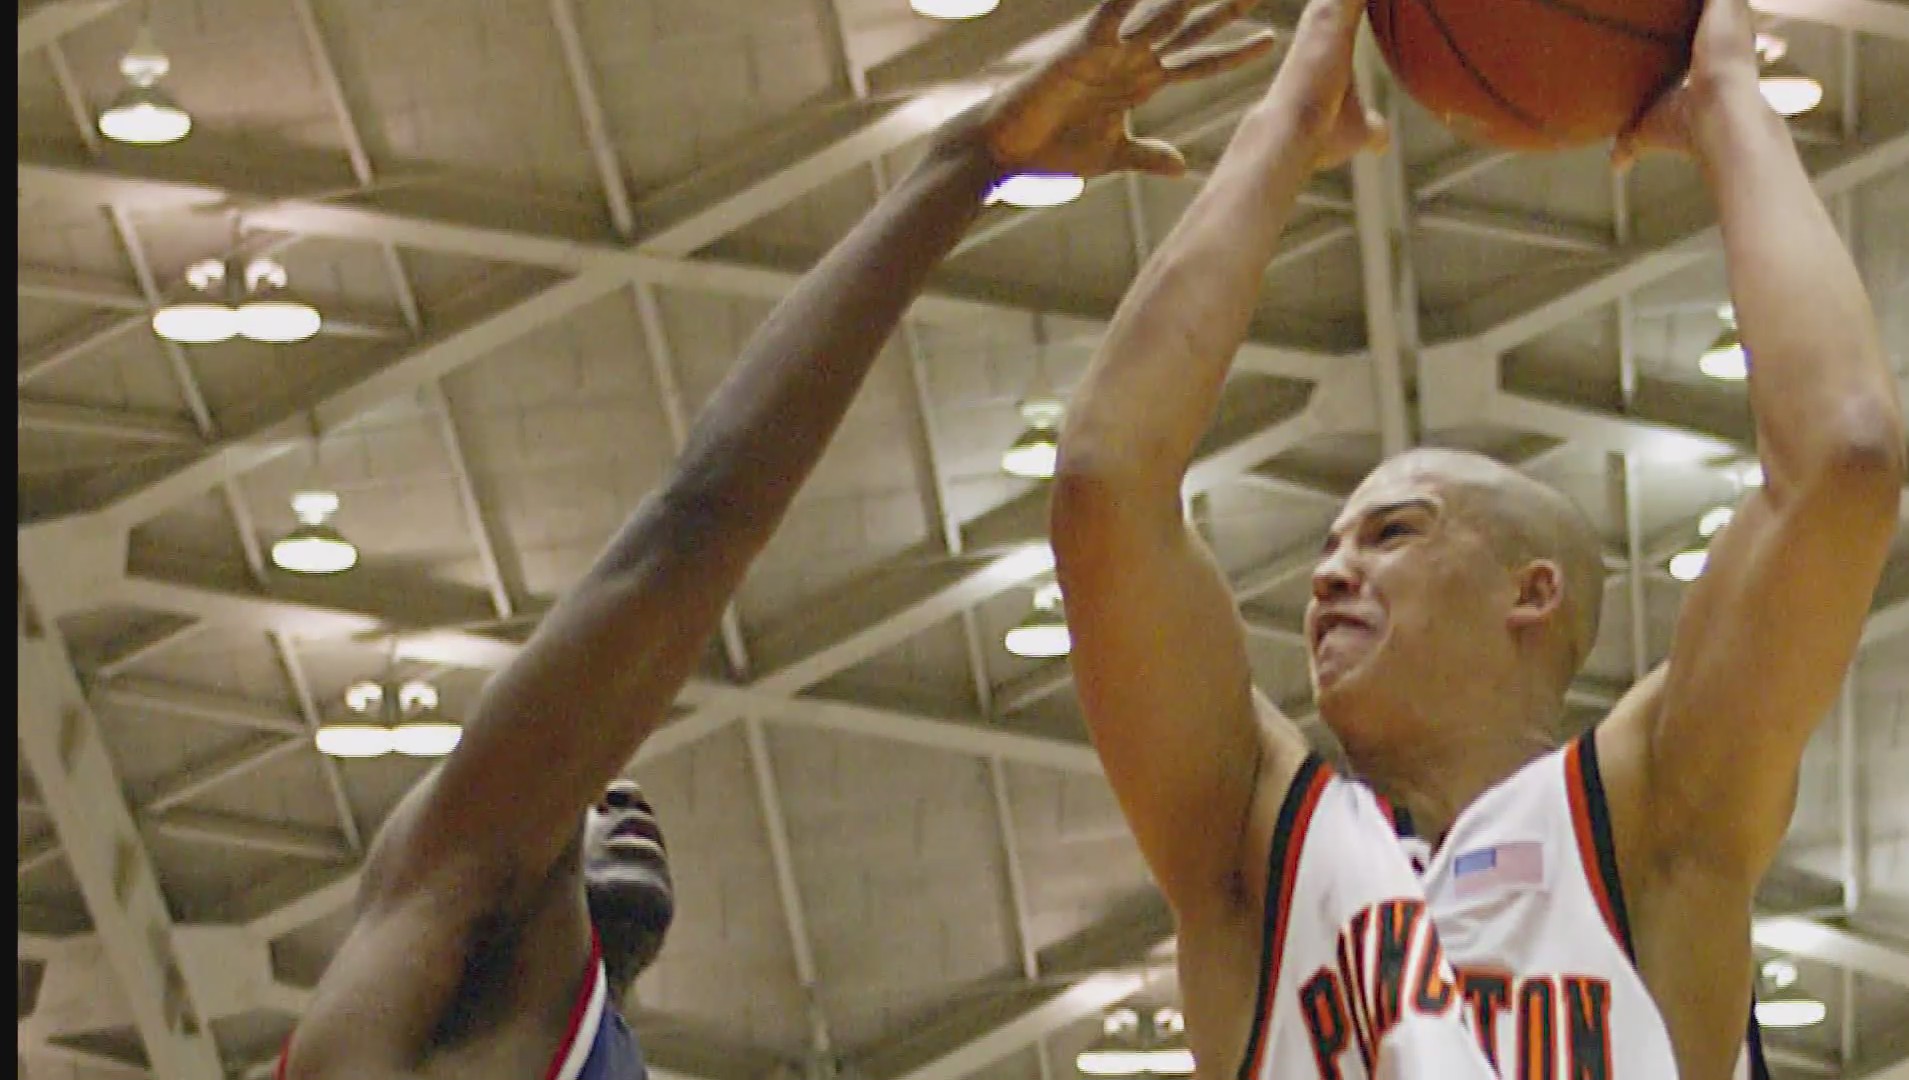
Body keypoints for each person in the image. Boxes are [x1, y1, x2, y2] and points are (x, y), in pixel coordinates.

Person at [274, 4, 1276, 1079]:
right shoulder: (440, 907)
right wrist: (968, 164)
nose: (622, 796)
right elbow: (695, 526)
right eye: (585, 794)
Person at [1049, 0, 1906, 1074]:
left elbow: (1845, 464)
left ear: (1532, 594)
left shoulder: (1649, 819)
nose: (1328, 577)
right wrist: (1284, 128)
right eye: (1328, 550)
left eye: (1391, 534)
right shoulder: (1261, 847)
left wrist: (1731, 107)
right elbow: (1105, 492)